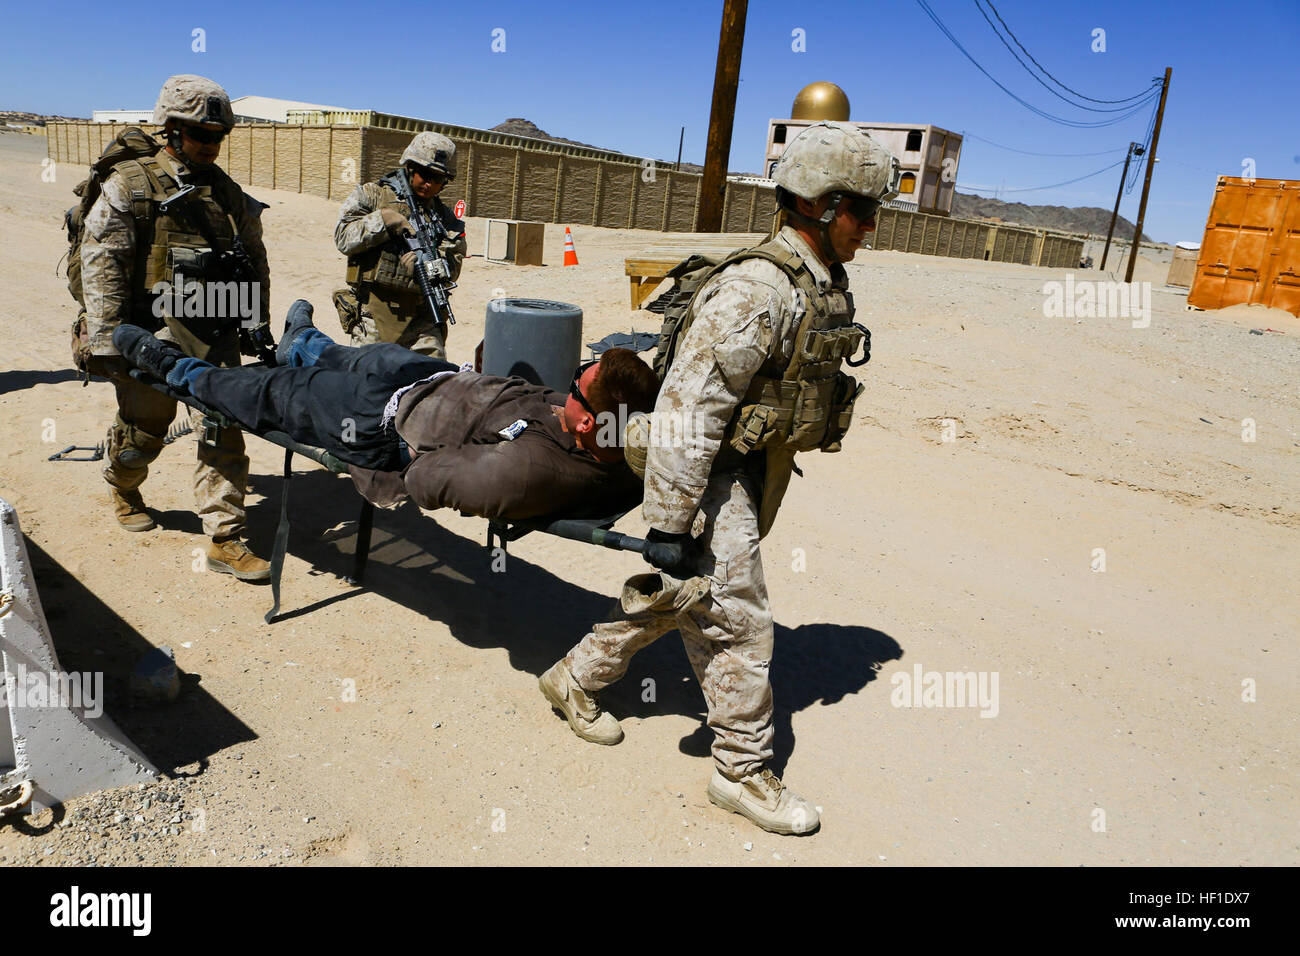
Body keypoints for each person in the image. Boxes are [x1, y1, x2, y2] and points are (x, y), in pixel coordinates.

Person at [539, 122, 901, 835]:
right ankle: (741, 771)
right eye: (864, 211)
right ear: (823, 207)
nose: (872, 227)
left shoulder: (816, 280)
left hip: (745, 468)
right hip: (706, 474)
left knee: (687, 600)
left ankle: (572, 678)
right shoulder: (757, 291)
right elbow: (686, 411)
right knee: (741, 622)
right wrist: (669, 524)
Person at [112, 301, 661, 521]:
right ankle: (302, 339)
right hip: (431, 379)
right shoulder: (609, 432)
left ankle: (173, 368)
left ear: (590, 420)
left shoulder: (528, 471)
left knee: (273, 391)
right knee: (354, 354)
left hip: (382, 423)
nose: (566, 388)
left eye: (574, 386)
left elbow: (426, 480)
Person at [75, 74, 273, 581]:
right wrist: (105, 339)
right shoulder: (132, 183)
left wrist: (256, 322)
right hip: (149, 334)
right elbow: (103, 261)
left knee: (224, 431)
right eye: (199, 134)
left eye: (217, 137)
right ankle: (122, 483)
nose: (209, 145)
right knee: (146, 433)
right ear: (171, 130)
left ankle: (226, 538)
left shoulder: (228, 194)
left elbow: (253, 260)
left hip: (213, 332)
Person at [332, 132, 467, 359]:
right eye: (425, 174)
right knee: (367, 385)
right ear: (410, 167)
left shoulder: (446, 220)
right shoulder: (372, 196)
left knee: (432, 380)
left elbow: (453, 265)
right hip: (372, 314)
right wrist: (383, 220)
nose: (429, 183)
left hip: (422, 319)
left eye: (438, 179)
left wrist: (428, 267)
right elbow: (343, 238)